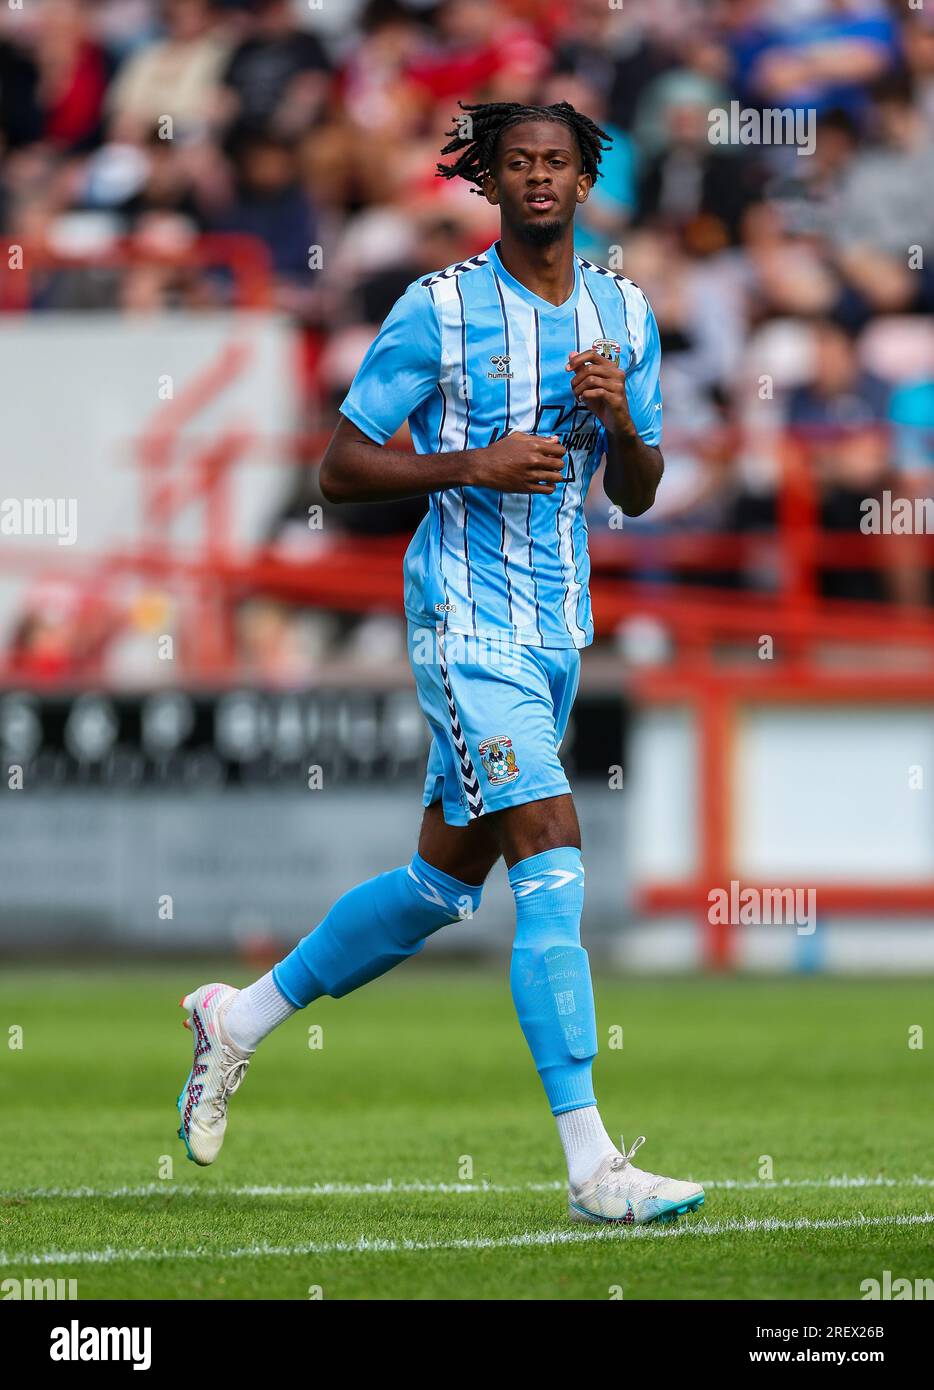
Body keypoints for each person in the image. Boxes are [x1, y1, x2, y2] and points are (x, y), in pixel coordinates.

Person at [175, 99, 704, 1228]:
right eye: (519, 164)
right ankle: (591, 1163)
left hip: (557, 626)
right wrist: (469, 461)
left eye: (558, 162)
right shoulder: (440, 308)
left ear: (585, 178)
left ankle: (238, 1018)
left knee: (438, 888)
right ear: (490, 181)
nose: (541, 180)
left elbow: (642, 491)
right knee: (551, 857)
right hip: (463, 624)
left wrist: (625, 427)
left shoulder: (624, 313)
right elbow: (339, 470)